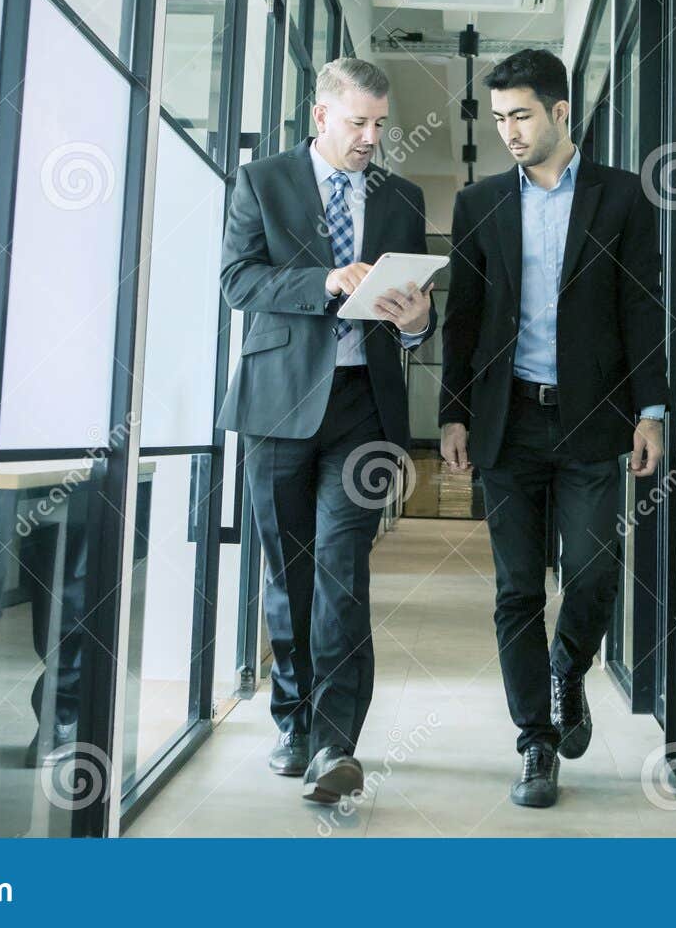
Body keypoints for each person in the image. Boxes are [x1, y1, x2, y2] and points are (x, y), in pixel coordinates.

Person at [440, 48, 667, 807]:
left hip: (594, 421)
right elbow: (463, 322)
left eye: (522, 115)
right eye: (500, 117)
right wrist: (454, 413)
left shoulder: (623, 196)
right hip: (508, 422)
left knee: (596, 568)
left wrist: (652, 410)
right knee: (515, 590)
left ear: (561, 111)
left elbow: (643, 308)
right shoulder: (478, 205)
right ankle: (536, 742)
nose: (509, 130)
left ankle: (570, 664)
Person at [217, 58, 433, 805]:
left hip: (363, 408)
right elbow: (238, 279)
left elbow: (415, 307)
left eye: (380, 124)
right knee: (290, 571)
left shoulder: (402, 198)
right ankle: (295, 721)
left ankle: (337, 744)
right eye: (357, 122)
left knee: (343, 573)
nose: (371, 137)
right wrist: (325, 282)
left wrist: (416, 326)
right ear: (321, 115)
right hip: (277, 403)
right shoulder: (264, 181)